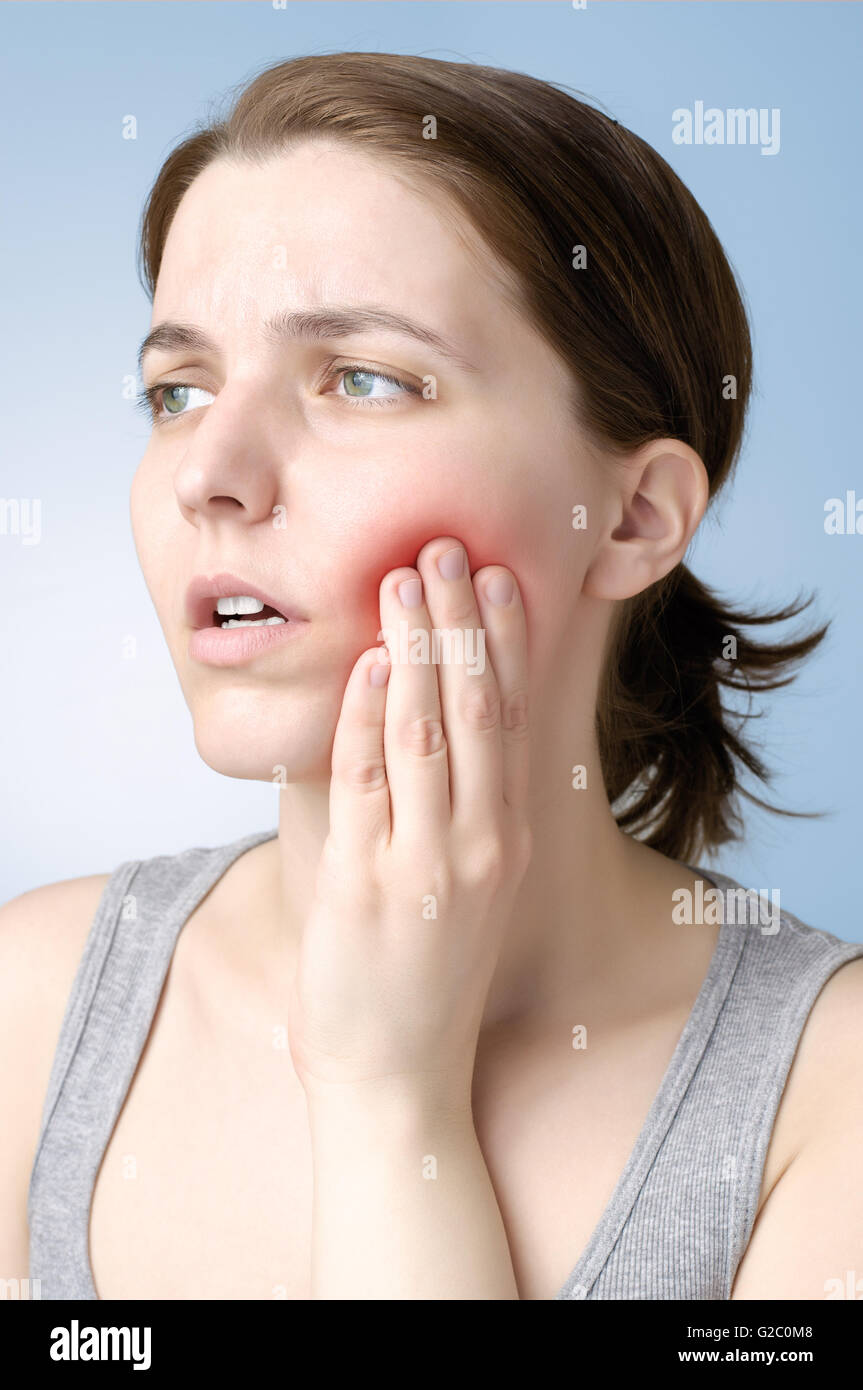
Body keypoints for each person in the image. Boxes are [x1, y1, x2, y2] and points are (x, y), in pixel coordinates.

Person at [3, 53, 861, 1302]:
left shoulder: (821, 1102)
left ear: (629, 518)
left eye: (361, 377)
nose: (209, 472)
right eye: (176, 391)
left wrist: (386, 1101)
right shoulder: (29, 1005)